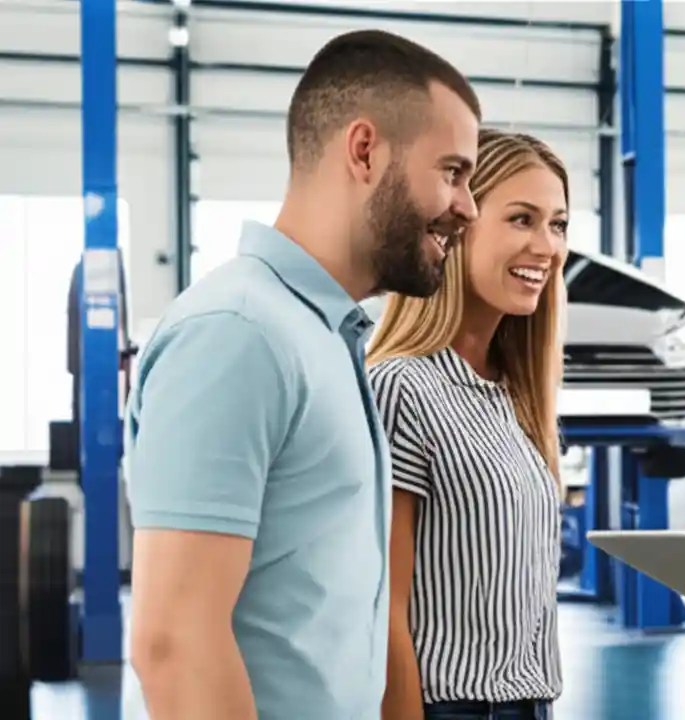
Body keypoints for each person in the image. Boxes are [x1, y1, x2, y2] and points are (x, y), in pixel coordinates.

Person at [124, 30, 481, 720]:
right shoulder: (239, 333)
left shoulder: (326, 336)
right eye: (453, 171)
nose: (466, 204)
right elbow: (175, 643)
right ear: (365, 150)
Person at [366, 128, 569, 720]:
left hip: (531, 702)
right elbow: (384, 611)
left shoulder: (512, 398)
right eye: (522, 219)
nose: (547, 247)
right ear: (457, 225)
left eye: (558, 225)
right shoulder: (401, 388)